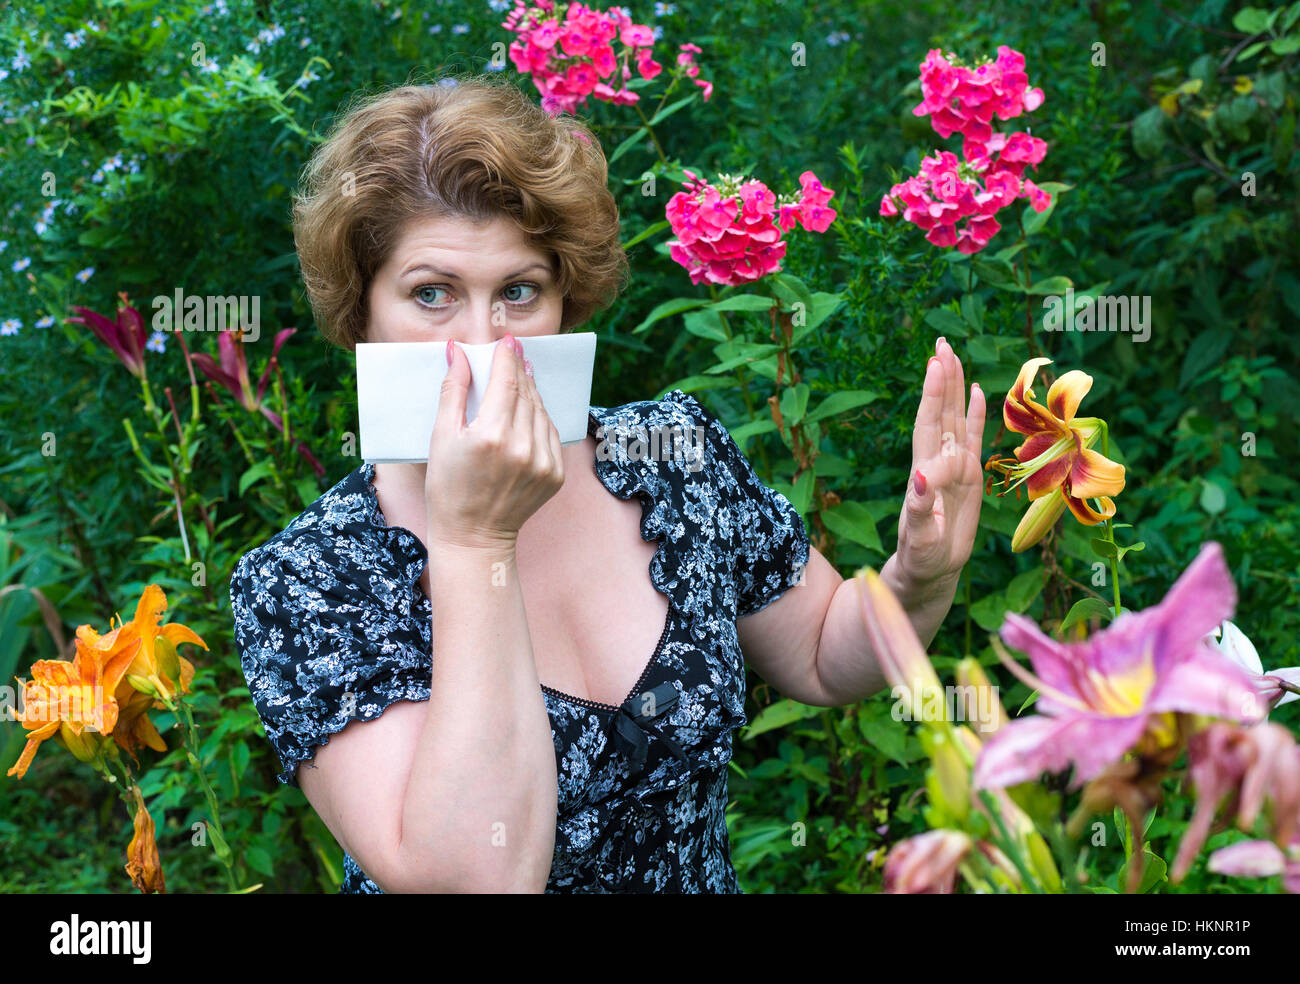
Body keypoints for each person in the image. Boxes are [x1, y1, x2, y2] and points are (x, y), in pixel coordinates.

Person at [228, 75, 987, 893]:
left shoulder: (672, 453)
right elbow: (476, 880)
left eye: (519, 292)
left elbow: (819, 657)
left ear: (565, 299)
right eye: (432, 294)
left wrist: (920, 575)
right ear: (361, 311)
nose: (485, 344)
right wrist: (477, 539)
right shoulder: (306, 581)